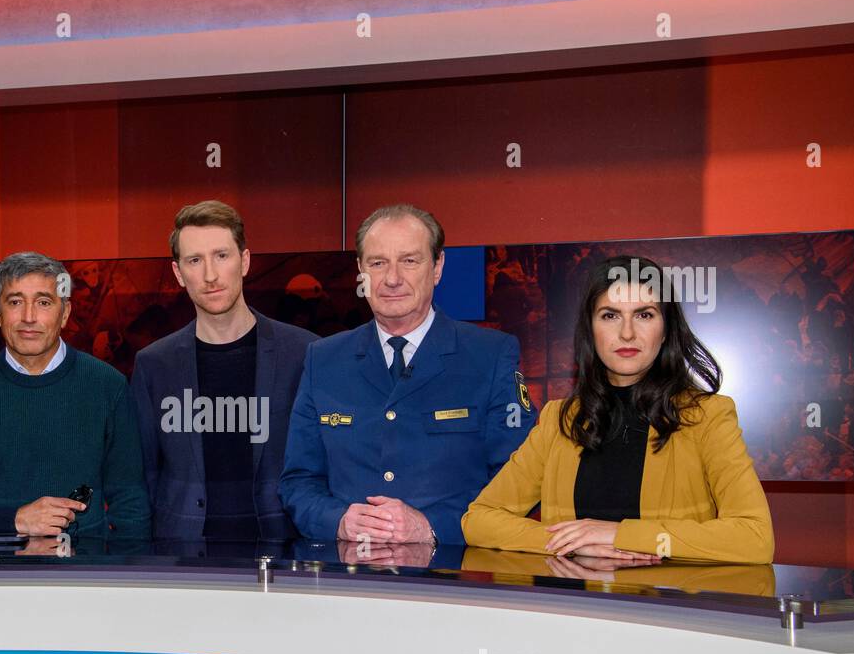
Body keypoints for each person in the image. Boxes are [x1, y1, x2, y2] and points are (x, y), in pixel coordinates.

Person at [462, 255, 775, 564]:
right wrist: (571, 541)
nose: (627, 333)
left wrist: (618, 534)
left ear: (666, 330)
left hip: (667, 611)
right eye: (610, 316)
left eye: (644, 315)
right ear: (591, 329)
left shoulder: (706, 416)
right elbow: (479, 520)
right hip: (571, 611)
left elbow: (754, 538)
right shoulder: (560, 420)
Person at [279, 204, 536, 547]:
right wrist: (337, 521)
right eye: (377, 262)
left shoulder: (490, 355)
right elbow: (298, 481)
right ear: (360, 271)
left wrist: (432, 527)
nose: (392, 278)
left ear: (438, 267)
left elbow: (517, 484)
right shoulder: (323, 359)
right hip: (348, 582)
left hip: (453, 582)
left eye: (410, 260)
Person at [0, 251, 150, 539]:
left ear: (64, 313)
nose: (29, 317)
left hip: (84, 576)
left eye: (43, 302)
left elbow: (131, 507)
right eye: (15, 302)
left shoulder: (108, 386)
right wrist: (14, 519)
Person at [130, 200, 318, 540]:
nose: (210, 275)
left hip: (282, 553)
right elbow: (145, 474)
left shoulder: (304, 353)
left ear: (244, 261)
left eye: (221, 256)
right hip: (184, 556)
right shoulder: (153, 364)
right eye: (195, 261)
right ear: (178, 273)